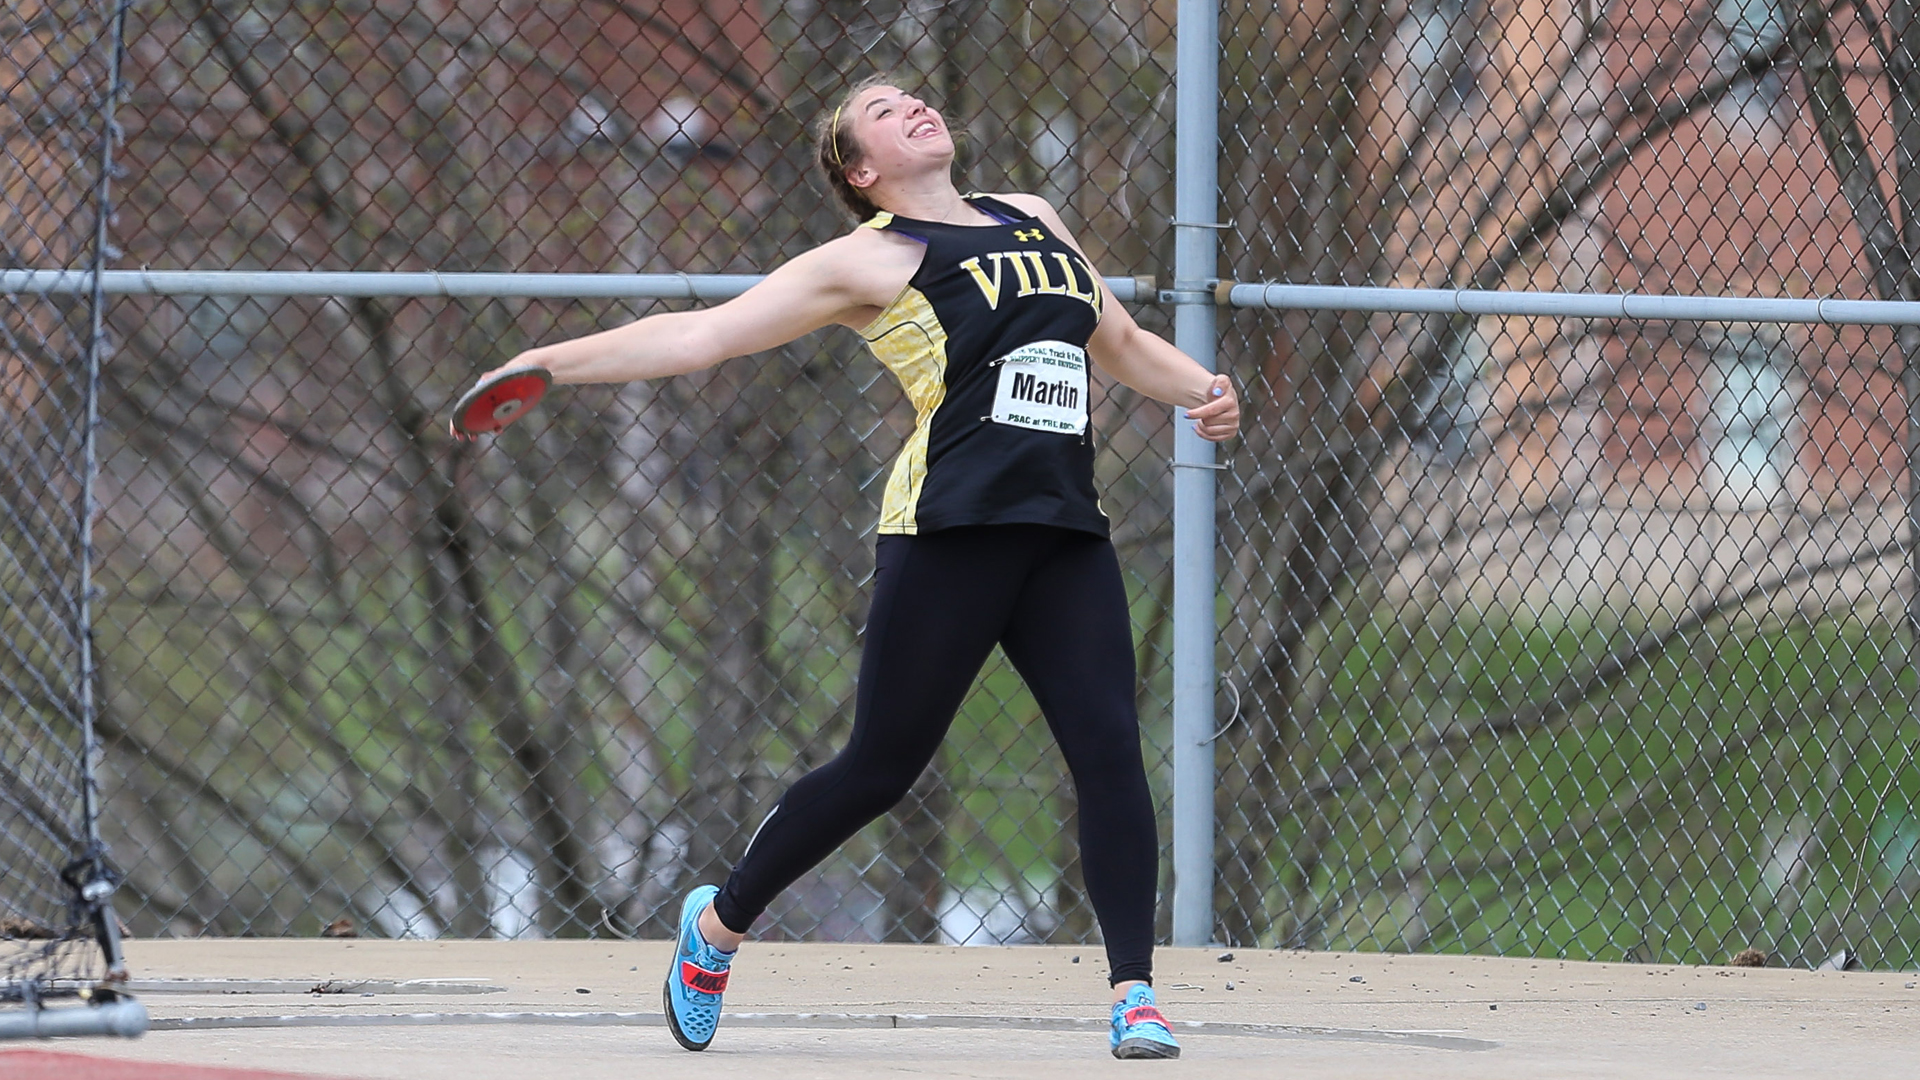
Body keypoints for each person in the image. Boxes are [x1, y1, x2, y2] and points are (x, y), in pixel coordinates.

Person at [463, 76, 1239, 1060]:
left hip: (1062, 531)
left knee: (1109, 750)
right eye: (884, 111)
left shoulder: (1034, 218)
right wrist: (549, 361)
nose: (915, 105)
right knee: (881, 767)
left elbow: (1119, 343)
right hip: (946, 531)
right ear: (861, 172)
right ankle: (716, 927)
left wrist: (1203, 392)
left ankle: (1135, 994)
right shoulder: (868, 261)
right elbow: (699, 337)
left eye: (915, 96)